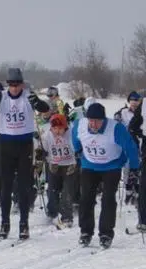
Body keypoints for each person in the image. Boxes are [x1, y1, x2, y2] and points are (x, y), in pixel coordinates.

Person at [72, 103, 140, 248]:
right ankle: (85, 232)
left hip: (112, 166)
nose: (93, 124)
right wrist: (77, 150)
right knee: (86, 199)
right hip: (89, 165)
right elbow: (74, 138)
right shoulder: (80, 125)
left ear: (104, 120)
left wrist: (134, 168)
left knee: (108, 199)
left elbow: (130, 146)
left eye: (97, 121)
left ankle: (106, 234)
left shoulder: (115, 128)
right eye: (91, 120)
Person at [0, 68, 40, 240]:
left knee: (24, 186)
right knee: (6, 186)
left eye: (17, 85)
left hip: (24, 144)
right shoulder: (1, 97)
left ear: (22, 84)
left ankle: (24, 224)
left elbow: (45, 108)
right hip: (6, 144)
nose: (14, 88)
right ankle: (5, 223)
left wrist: (37, 103)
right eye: (11, 85)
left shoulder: (28, 97)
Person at [39, 114, 76, 228]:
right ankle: (52, 213)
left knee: (67, 192)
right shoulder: (47, 135)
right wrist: (40, 153)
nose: (57, 131)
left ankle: (67, 217)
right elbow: (43, 149)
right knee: (52, 191)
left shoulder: (71, 135)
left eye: (60, 128)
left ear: (65, 127)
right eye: (55, 128)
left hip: (70, 165)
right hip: (54, 165)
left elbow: (77, 148)